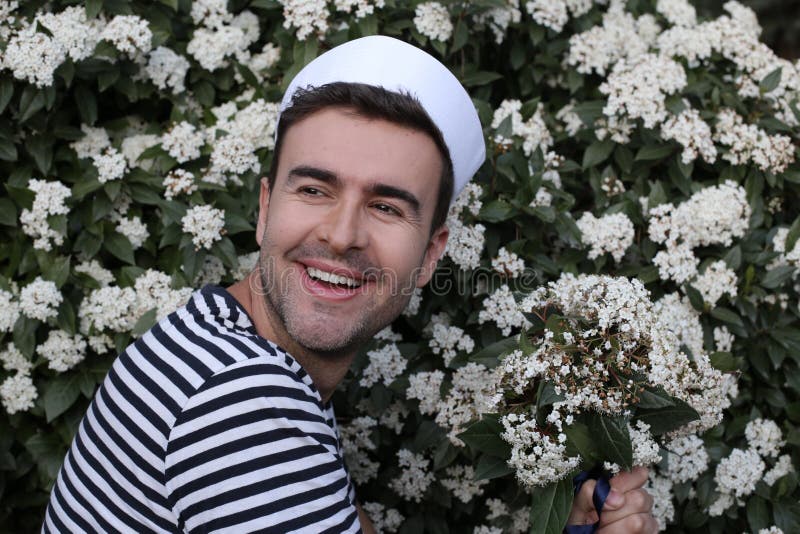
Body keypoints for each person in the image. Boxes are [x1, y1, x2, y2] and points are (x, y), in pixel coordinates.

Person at [43, 36, 657, 533]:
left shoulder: (215, 339)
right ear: (264, 208)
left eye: (386, 207)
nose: (341, 236)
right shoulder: (242, 398)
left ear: (430, 254)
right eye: (315, 189)